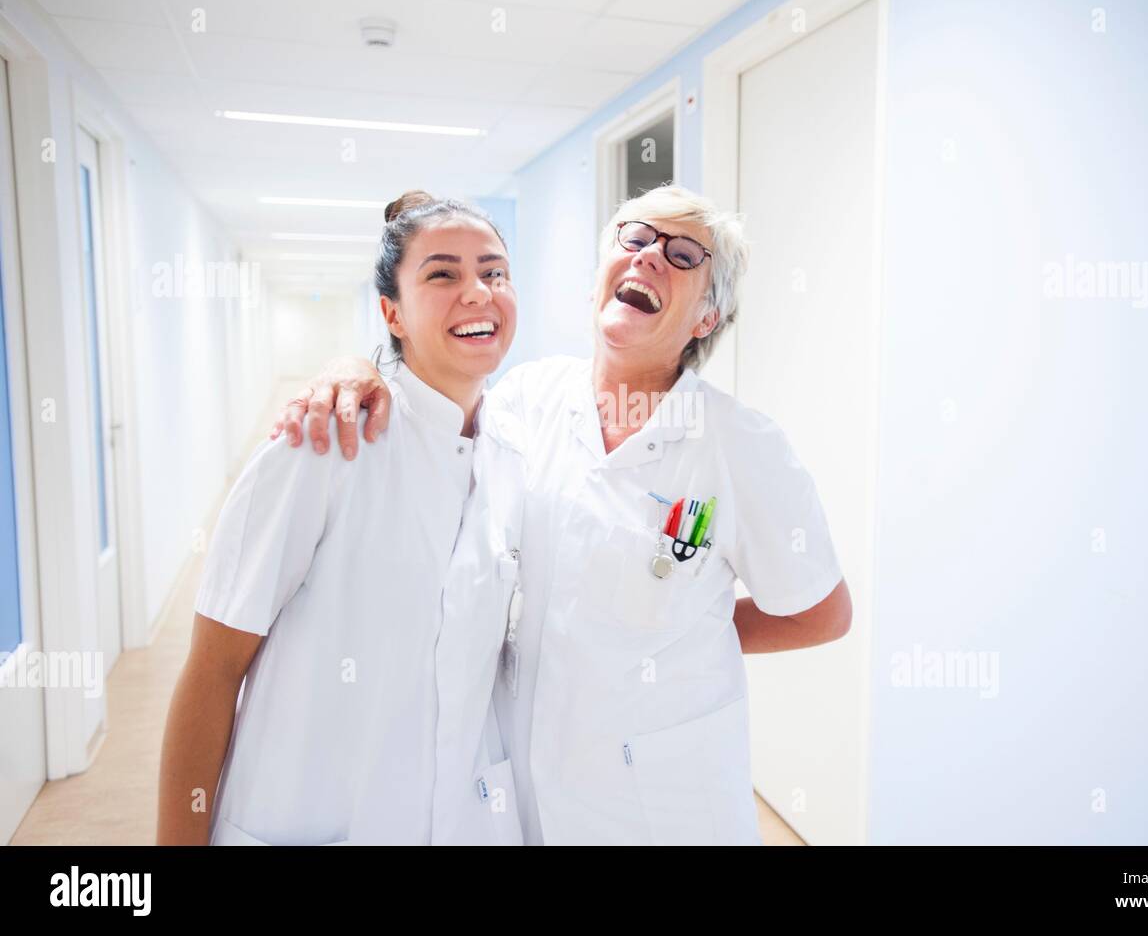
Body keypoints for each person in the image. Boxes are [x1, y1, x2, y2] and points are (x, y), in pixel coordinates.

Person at [273, 185, 852, 845]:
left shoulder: (738, 445)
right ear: (598, 277)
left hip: (669, 807)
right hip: (527, 792)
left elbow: (822, 611)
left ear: (706, 318)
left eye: (682, 253)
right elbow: (429, 406)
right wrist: (358, 365)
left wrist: (688, 631)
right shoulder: (526, 399)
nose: (648, 257)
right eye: (633, 238)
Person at [158, 192, 524, 845]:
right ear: (392, 313)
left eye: (494, 271)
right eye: (442, 273)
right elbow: (212, 669)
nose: (477, 291)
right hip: (300, 817)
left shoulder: (519, 454)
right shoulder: (324, 443)